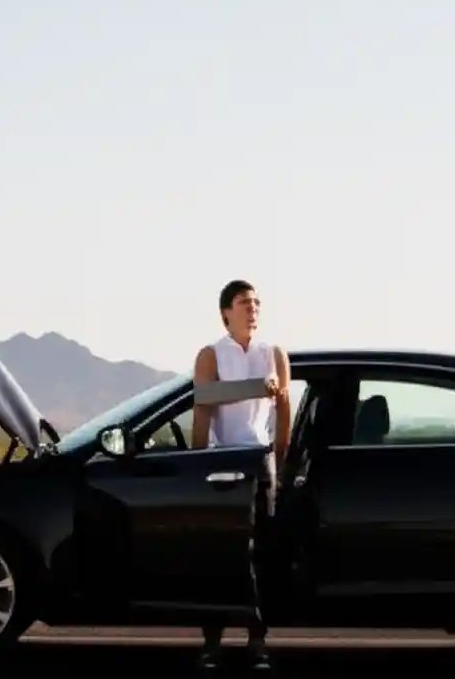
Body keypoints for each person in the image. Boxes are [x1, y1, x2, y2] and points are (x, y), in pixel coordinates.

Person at [190, 279, 291, 674]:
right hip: (220, 461)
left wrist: (279, 465)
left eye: (256, 302)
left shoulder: (274, 353)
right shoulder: (211, 354)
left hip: (259, 460)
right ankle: (211, 642)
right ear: (225, 312)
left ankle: (257, 639)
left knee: (259, 555)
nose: (252, 308)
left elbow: (284, 411)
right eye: (243, 302)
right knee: (217, 552)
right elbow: (204, 401)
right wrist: (196, 463)